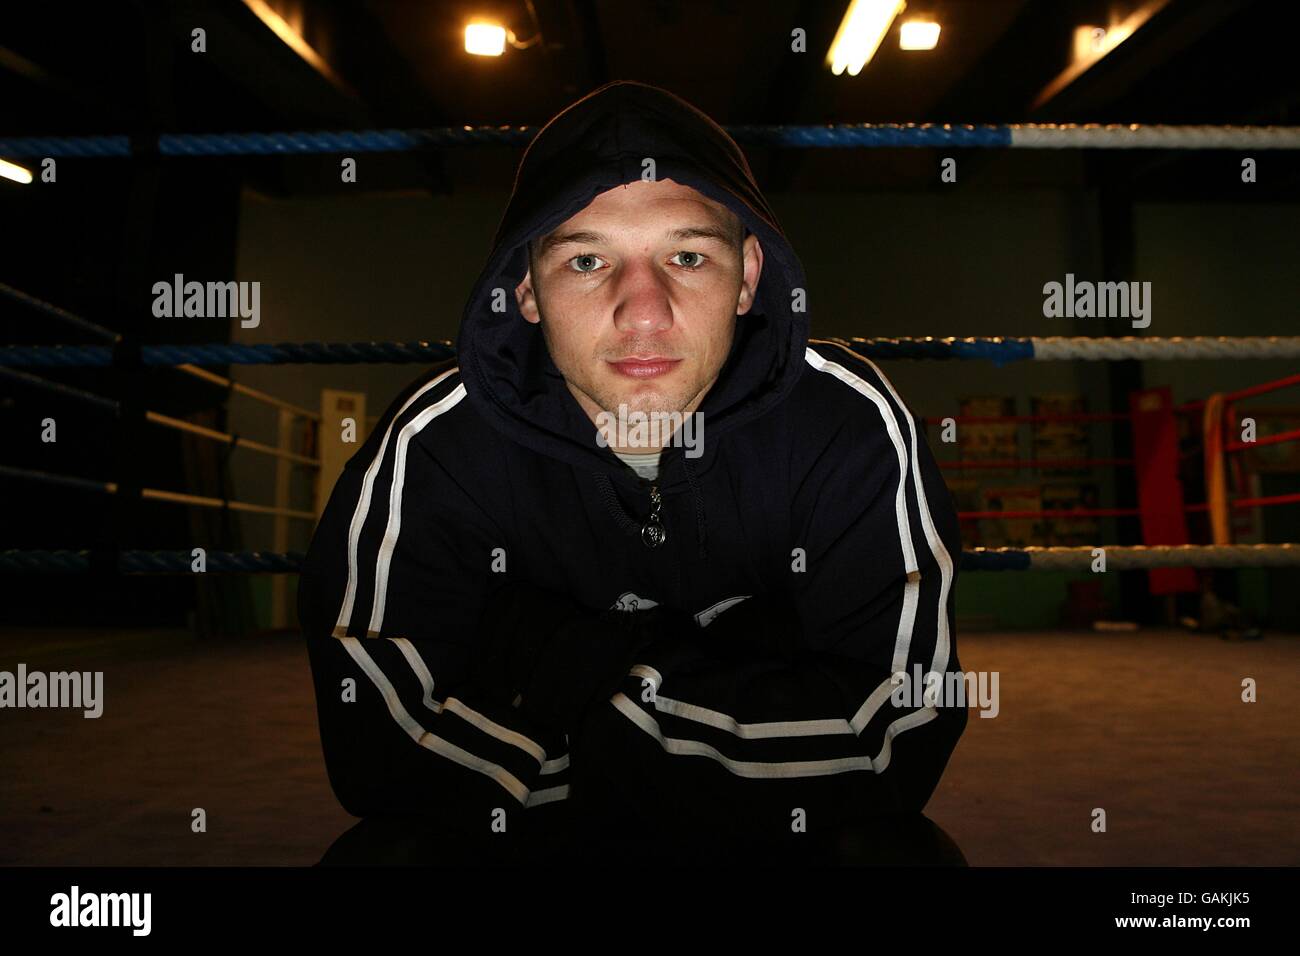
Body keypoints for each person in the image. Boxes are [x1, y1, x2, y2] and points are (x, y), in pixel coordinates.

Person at [300, 80, 968, 866]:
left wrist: (557, 656)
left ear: (749, 275)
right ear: (525, 290)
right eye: (587, 260)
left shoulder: (848, 424)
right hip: (539, 838)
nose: (642, 311)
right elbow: (380, 752)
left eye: (688, 256)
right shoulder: (435, 442)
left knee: (901, 857)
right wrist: (743, 656)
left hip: (735, 836)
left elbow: (898, 737)